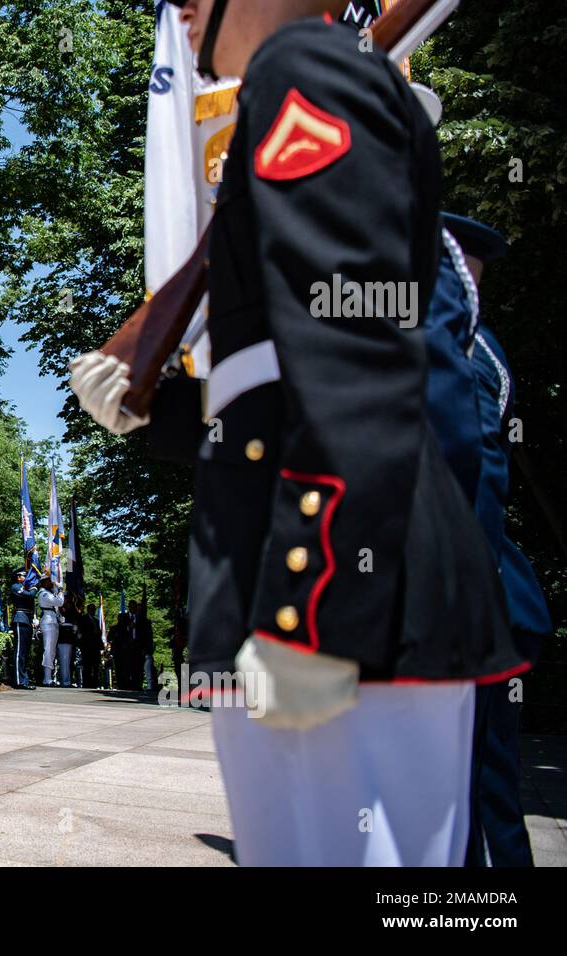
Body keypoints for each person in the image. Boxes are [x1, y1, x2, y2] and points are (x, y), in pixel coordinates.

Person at [144, 0, 526, 865]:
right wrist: (157, 404)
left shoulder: (300, 70)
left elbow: (358, 350)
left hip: (333, 592)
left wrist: (306, 610)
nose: (182, 8)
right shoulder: (303, 77)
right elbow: (279, 376)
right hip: (311, 570)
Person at [421, 212, 553, 866]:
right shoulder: (485, 349)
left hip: (473, 606)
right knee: (483, 794)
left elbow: (470, 483)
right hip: (499, 601)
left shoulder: (461, 355)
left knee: (463, 795)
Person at [8, 569, 37, 689]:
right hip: (20, 619)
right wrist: (34, 588)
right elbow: (30, 595)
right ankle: (19, 681)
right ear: (18, 577)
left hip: (27, 620)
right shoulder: (15, 587)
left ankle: (23, 679)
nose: (26, 578)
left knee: (25, 653)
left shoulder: (25, 587)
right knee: (19, 652)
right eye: (24, 576)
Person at [37, 576, 62, 685]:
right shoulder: (44, 594)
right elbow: (59, 602)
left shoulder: (49, 592)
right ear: (43, 582)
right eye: (49, 581)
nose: (51, 582)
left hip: (52, 620)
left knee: (51, 651)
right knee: (48, 649)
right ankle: (46, 678)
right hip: (48, 621)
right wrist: (60, 590)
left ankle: (49, 677)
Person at [58, 591, 81, 687]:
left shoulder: (72, 610)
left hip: (68, 637)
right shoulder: (59, 608)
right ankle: (65, 681)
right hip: (62, 637)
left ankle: (67, 680)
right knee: (63, 660)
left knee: (68, 660)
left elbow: (75, 622)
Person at [109, 611, 135, 690]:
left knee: (123, 669)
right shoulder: (115, 628)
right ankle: (121, 684)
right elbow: (109, 638)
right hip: (119, 651)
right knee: (120, 668)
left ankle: (123, 684)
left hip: (125, 651)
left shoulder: (127, 628)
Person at [78, 603, 102, 689]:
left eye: (94, 609)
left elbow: (99, 633)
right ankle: (86, 683)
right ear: (88, 610)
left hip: (95, 646)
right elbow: (82, 632)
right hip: (87, 646)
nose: (93, 611)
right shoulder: (83, 619)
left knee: (96, 665)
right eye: (91, 609)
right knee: (87, 666)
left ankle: (95, 683)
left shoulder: (96, 620)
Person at [134, 600, 155, 690]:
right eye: (137, 610)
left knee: (147, 668)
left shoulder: (146, 622)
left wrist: (146, 648)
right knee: (137, 670)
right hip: (135, 649)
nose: (139, 612)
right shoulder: (132, 621)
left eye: (140, 610)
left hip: (145, 649)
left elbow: (149, 636)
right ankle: (137, 685)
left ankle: (150, 686)